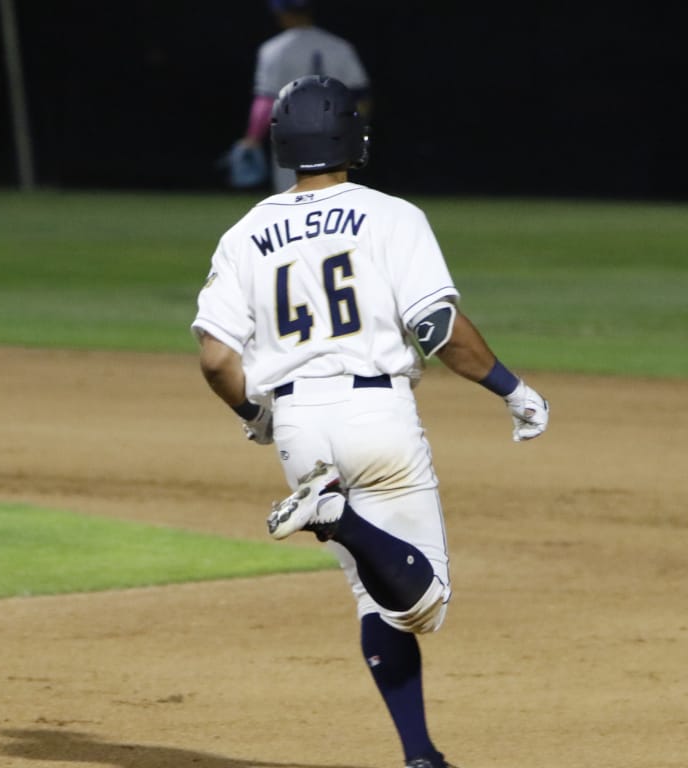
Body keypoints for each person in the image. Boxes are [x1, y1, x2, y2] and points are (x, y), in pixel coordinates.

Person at [192, 75, 550, 768]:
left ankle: (421, 756)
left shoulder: (244, 233)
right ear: (354, 138)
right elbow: (437, 327)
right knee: (424, 606)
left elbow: (215, 358)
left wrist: (254, 415)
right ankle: (336, 514)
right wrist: (512, 389)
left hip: (297, 427)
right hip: (376, 415)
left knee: (372, 594)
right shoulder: (390, 216)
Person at [229, 0, 371, 193]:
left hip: (291, 132)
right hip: (335, 132)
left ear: (282, 13)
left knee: (292, 194)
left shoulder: (274, 48)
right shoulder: (339, 46)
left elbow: (266, 99)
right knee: (336, 193)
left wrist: (252, 137)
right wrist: (357, 131)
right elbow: (361, 97)